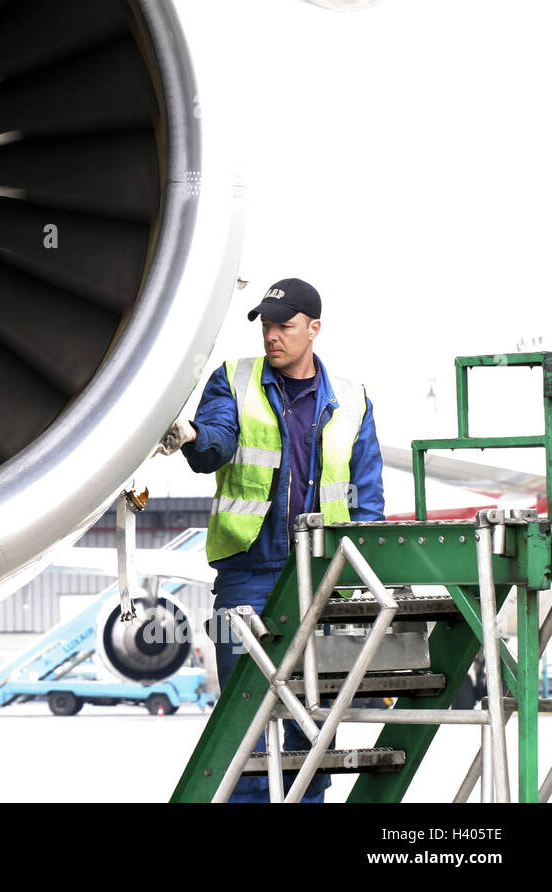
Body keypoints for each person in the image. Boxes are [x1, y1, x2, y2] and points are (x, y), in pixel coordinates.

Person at [157, 278, 384, 802]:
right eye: (266, 325)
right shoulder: (234, 380)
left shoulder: (352, 400)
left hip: (322, 580)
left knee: (314, 722)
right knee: (246, 719)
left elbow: (366, 500)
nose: (271, 336)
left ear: (314, 328)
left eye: (284, 325)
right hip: (249, 577)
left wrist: (363, 582)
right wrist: (194, 436)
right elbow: (218, 441)